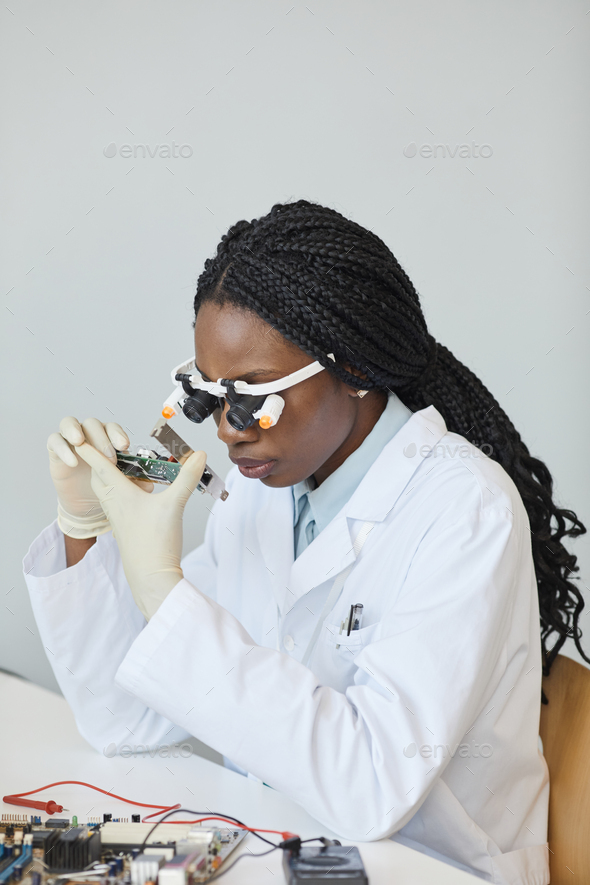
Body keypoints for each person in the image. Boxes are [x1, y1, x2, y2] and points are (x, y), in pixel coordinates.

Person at [23, 200, 587, 885]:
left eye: (254, 397)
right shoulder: (258, 494)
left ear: (350, 365)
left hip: (430, 868)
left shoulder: (465, 511)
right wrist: (86, 531)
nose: (228, 430)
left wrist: (162, 587)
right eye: (210, 393)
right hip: (276, 843)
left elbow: (372, 785)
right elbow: (122, 717)